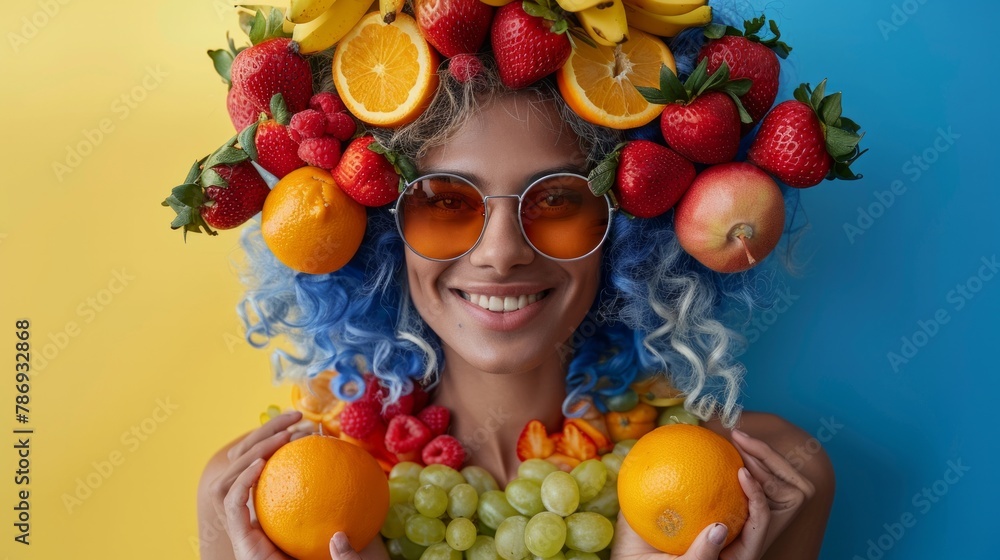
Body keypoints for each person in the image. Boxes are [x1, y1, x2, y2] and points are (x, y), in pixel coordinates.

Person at [197, 51, 835, 560]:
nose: (501, 254)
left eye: (556, 199)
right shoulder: (254, 503)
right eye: (446, 200)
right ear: (383, 233)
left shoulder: (764, 483)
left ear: (627, 229)